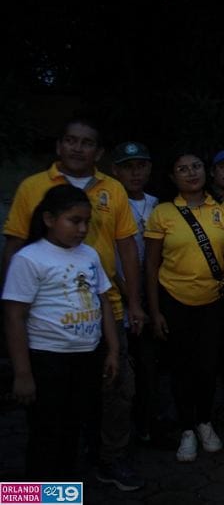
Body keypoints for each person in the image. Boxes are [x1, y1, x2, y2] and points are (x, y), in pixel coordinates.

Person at [1, 117, 144, 491]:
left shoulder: (112, 192)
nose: (78, 148)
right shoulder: (32, 192)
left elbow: (127, 246)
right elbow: (14, 247)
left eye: (86, 143)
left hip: (99, 322)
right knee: (47, 426)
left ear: (98, 152)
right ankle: (35, 494)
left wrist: (134, 304)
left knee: (101, 403)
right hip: (46, 338)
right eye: (70, 140)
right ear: (59, 145)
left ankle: (97, 468)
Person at [3, 185, 119, 479]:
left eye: (86, 222)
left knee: (71, 431)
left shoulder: (89, 254)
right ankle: (32, 496)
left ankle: (63, 494)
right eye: (74, 221)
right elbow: (14, 316)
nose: (82, 229)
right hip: (47, 360)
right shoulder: (30, 259)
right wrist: (22, 373)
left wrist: (113, 349)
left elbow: (104, 300)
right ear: (49, 219)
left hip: (86, 357)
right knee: (45, 437)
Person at [144, 152, 224, 463]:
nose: (191, 173)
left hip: (213, 302)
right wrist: (154, 311)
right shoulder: (163, 213)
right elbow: (151, 265)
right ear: (172, 177)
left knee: (209, 366)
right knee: (181, 368)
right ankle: (186, 429)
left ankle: (205, 422)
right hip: (174, 301)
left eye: (196, 166)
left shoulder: (222, 210)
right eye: (182, 168)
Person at [110, 141, 160, 443]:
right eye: (128, 167)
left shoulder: (157, 204)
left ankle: (147, 425)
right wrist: (130, 296)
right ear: (115, 170)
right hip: (118, 296)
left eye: (141, 165)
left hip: (151, 296)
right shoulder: (109, 203)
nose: (135, 172)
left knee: (149, 367)